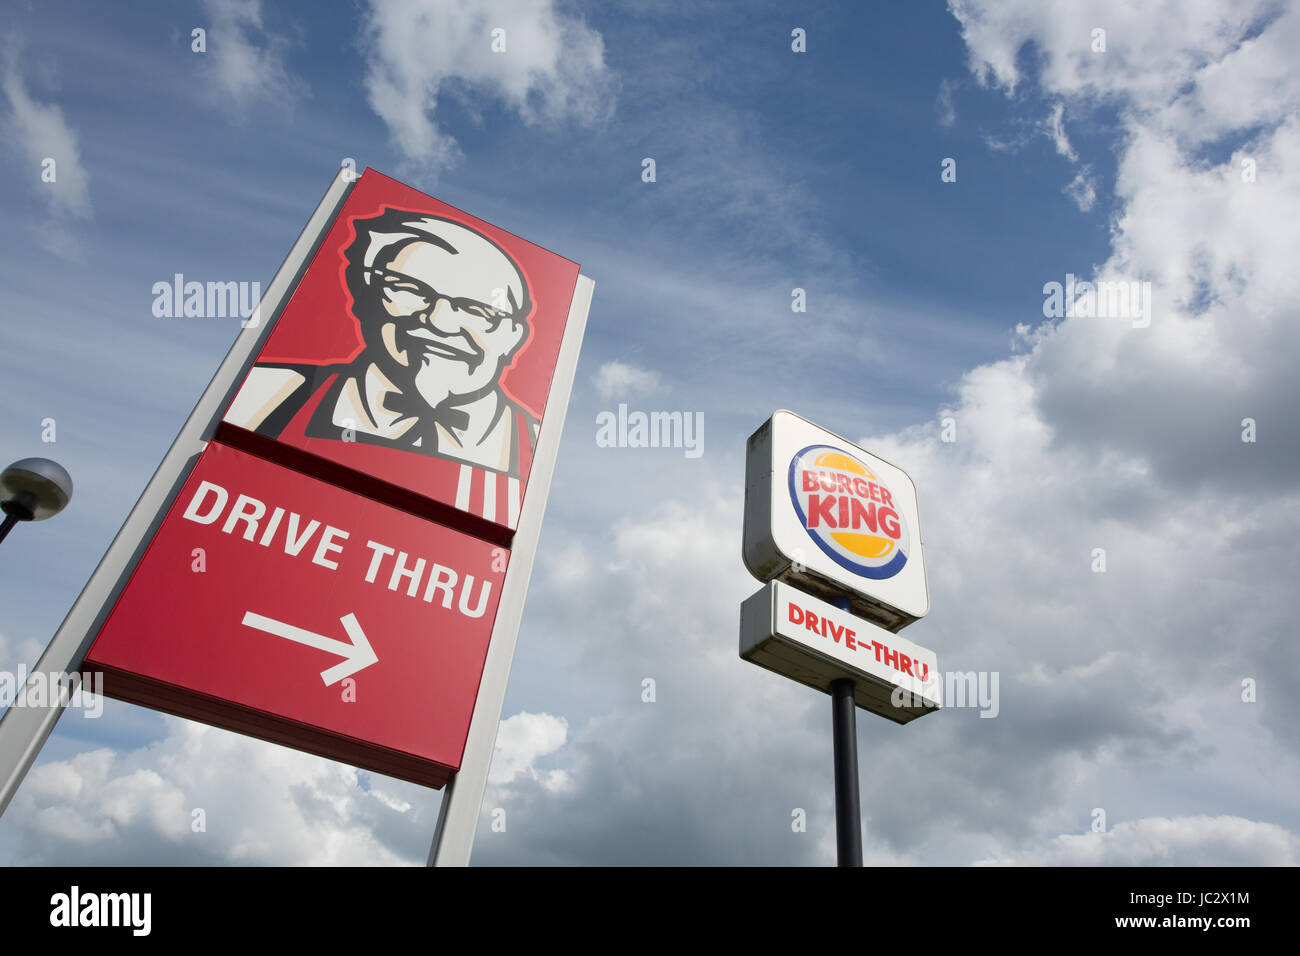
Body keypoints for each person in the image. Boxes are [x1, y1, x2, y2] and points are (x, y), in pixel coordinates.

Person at [225, 209, 539, 478]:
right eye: (410, 290)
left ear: (513, 337)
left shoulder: (534, 446)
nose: (438, 320)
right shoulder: (267, 394)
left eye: (477, 310)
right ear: (366, 298)